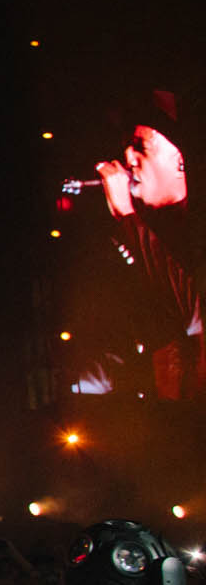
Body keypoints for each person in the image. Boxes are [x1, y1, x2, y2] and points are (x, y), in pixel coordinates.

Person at [82, 94, 199, 399]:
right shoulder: (137, 232)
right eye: (127, 145)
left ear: (181, 161)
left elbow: (194, 311)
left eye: (140, 147)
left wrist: (126, 216)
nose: (128, 158)